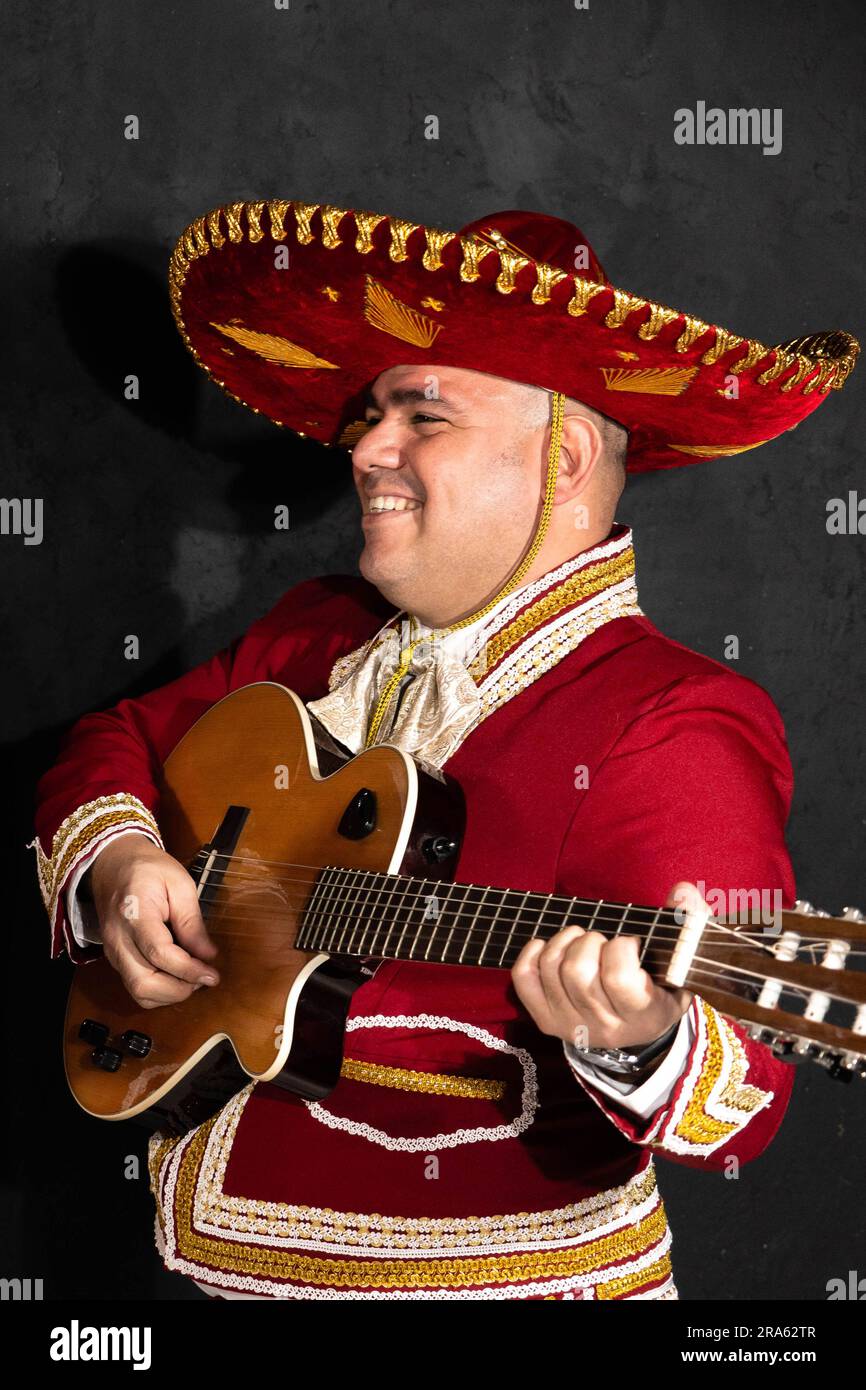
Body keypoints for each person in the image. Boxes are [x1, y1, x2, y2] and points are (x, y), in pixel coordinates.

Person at [31, 201, 858, 1300]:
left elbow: (742, 1093)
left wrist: (641, 1034)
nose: (363, 446)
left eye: (421, 414)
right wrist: (121, 863)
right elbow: (116, 740)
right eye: (372, 413)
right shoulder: (315, 629)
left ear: (560, 456)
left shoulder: (672, 716)